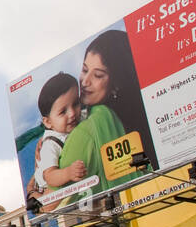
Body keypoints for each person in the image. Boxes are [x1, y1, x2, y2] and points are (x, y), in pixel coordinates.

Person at [59, 29, 149, 202]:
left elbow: (49, 204)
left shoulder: (95, 124)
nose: (85, 82)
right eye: (85, 70)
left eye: (98, 75)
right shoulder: (89, 119)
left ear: (116, 82)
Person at [26, 72, 87, 199]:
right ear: (48, 122)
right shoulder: (50, 144)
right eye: (62, 111)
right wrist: (68, 173)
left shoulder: (80, 117)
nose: (72, 114)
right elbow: (50, 177)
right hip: (44, 188)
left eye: (75, 103)